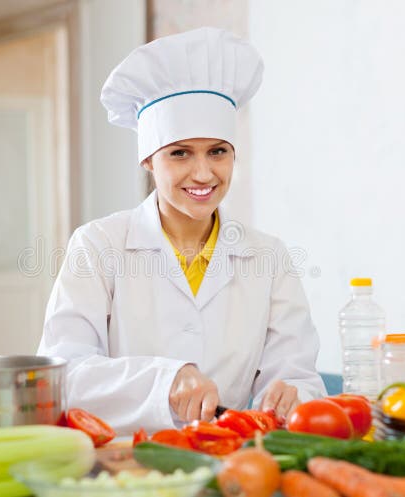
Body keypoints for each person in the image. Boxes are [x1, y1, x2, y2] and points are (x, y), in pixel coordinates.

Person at [37, 27, 325, 434]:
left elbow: (296, 374)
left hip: (231, 457)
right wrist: (166, 380)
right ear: (149, 162)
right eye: (180, 153)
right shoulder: (98, 245)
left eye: (218, 152)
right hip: (129, 460)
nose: (204, 173)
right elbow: (64, 374)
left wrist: (291, 394)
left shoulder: (270, 257)